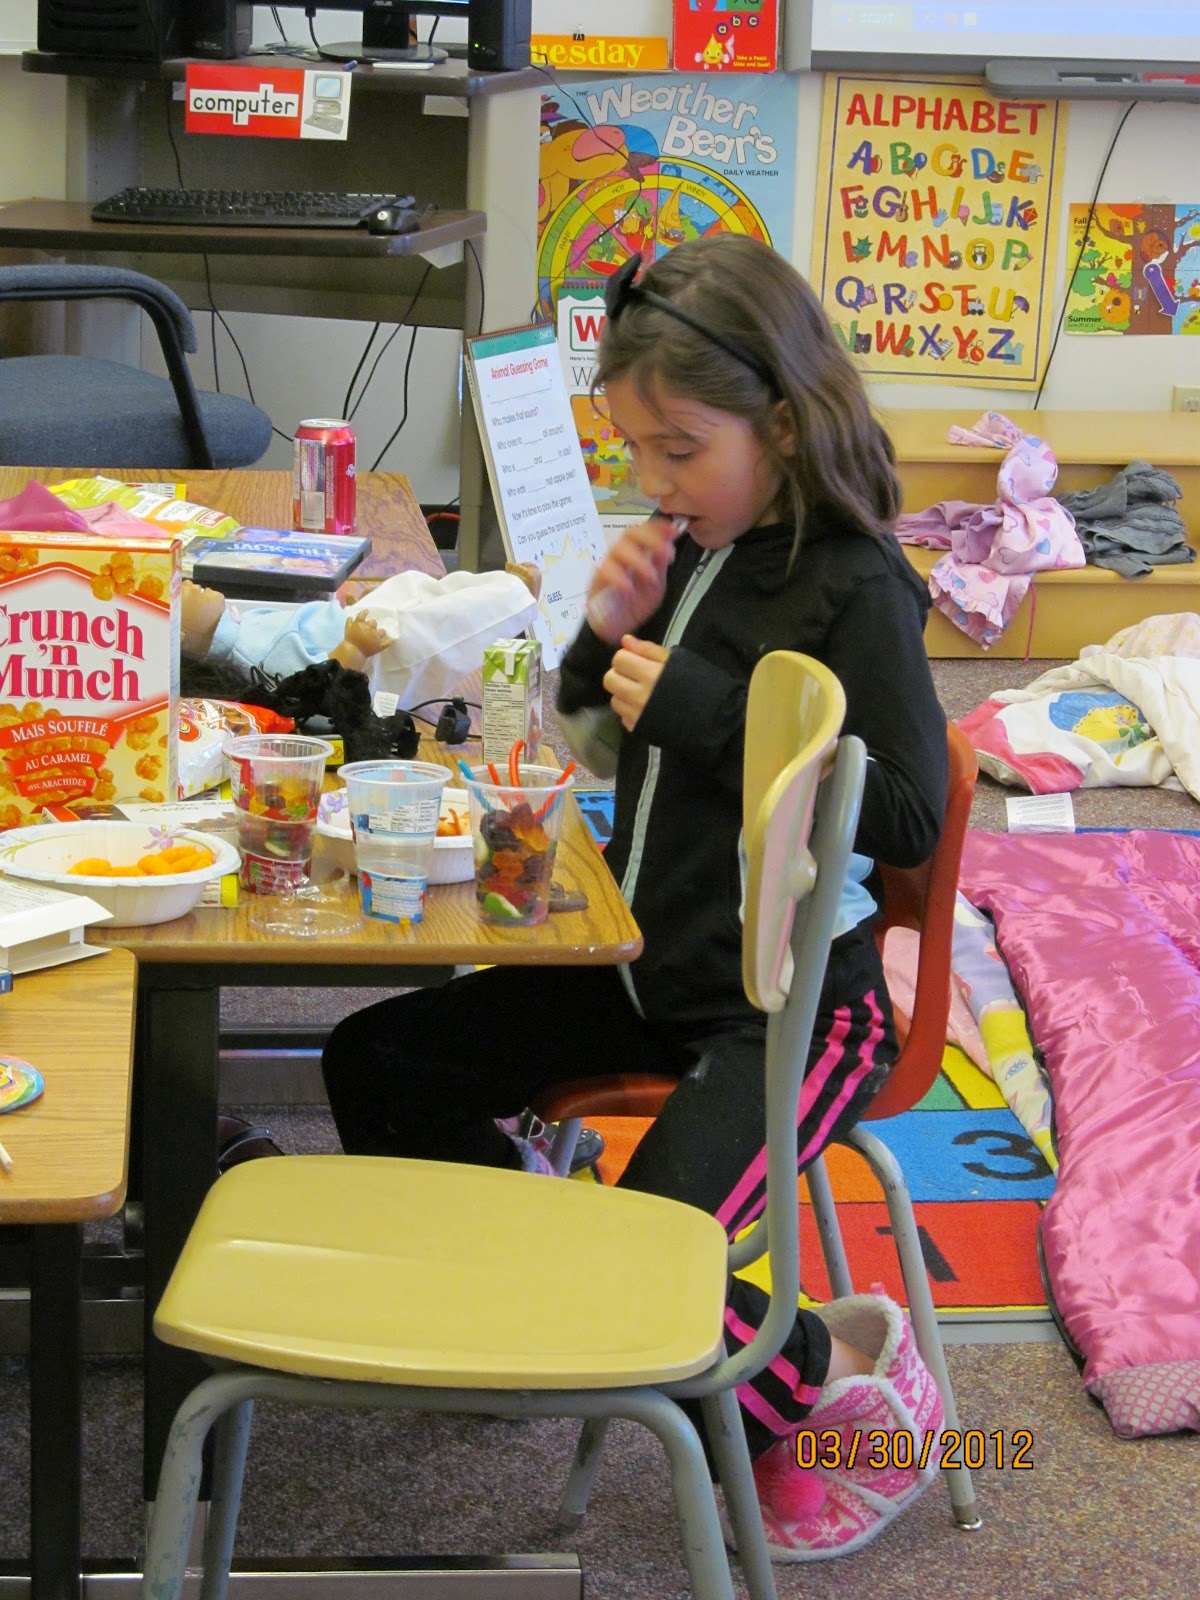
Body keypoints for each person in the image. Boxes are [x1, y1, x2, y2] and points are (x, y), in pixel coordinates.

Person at [321, 234, 949, 1563]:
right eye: (637, 453)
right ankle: (540, 1300)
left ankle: (845, 1383)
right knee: (376, 1060)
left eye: (679, 449)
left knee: (648, 1284)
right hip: (650, 965)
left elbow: (907, 817)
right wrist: (603, 638)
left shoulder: (857, 581)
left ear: (782, 422)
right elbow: (596, 749)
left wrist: (711, 708)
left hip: (787, 1013)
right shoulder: (703, 546)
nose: (654, 482)